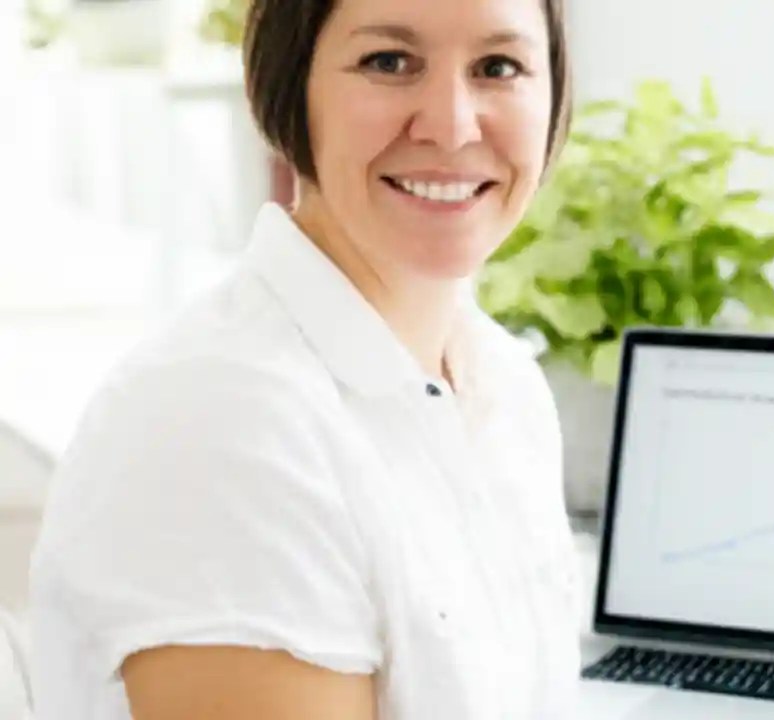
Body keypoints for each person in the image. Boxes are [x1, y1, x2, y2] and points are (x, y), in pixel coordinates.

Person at [27, 0, 582, 717]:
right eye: (389, 62)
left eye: (498, 67)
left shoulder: (505, 382)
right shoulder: (222, 422)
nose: (451, 124)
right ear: (290, 88)